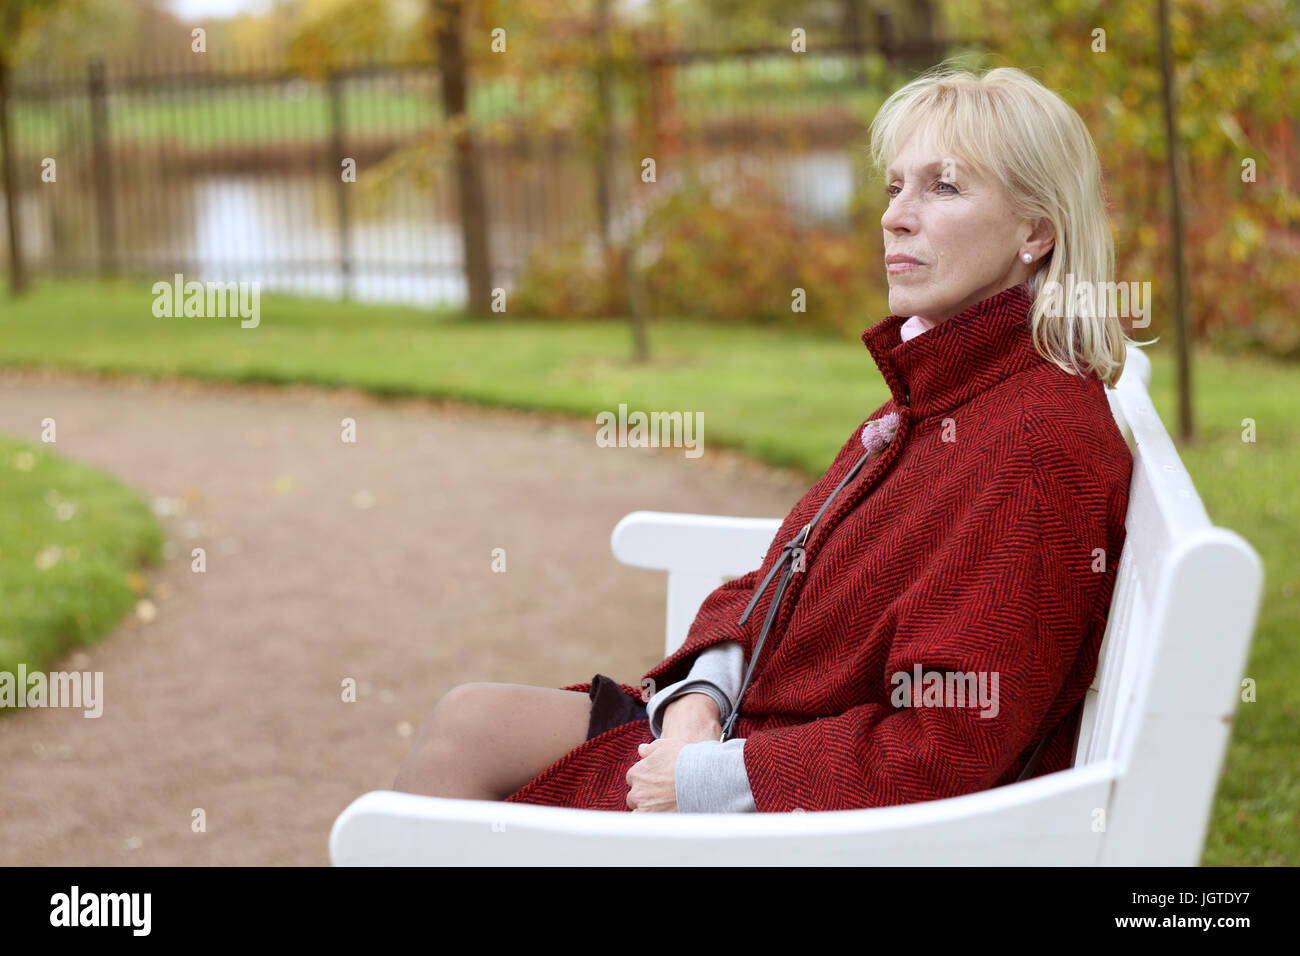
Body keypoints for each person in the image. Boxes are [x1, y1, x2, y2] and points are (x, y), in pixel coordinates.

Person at [392, 63, 1136, 813]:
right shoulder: (939, 396)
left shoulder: (1034, 445)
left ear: (1036, 231)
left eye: (943, 188)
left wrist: (697, 777)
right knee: (469, 722)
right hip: (742, 731)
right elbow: (779, 575)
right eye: (895, 187)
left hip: (794, 815)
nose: (896, 216)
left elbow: (945, 747)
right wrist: (697, 705)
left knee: (454, 770)